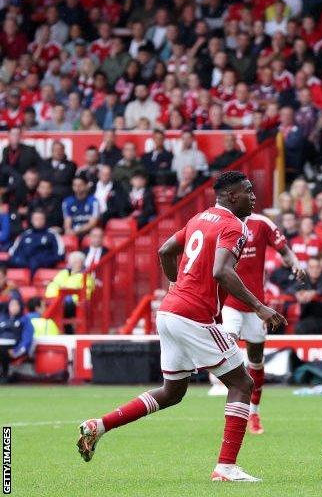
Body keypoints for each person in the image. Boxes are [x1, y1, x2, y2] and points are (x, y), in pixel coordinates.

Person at [76, 171, 287, 482]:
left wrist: (176, 285)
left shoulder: (200, 218)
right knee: (242, 384)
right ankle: (226, 467)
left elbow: (164, 251)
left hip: (170, 312)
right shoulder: (235, 226)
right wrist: (259, 306)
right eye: (248, 191)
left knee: (173, 392)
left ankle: (100, 425)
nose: (254, 197)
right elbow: (221, 271)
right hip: (194, 317)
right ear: (231, 196)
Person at [216, 212, 304, 434]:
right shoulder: (221, 223)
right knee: (229, 345)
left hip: (256, 305)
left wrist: (295, 264)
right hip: (229, 302)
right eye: (247, 193)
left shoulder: (262, 224)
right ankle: (234, 410)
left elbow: (285, 250)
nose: (252, 197)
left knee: (256, 359)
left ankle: (253, 413)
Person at [8, 210, 65, 274]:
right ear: (31, 220)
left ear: (44, 220)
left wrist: (42, 261)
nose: (38, 221)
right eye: (36, 219)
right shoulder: (25, 234)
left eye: (40, 219)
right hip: (24, 267)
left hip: (44, 268)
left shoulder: (52, 234)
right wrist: (26, 262)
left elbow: (60, 254)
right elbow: (12, 253)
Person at [0, 298, 33, 382]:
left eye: (16, 305)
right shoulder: (2, 319)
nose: (13, 307)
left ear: (20, 306)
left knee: (3, 350)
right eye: (11, 305)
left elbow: (27, 339)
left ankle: (5, 374)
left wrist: (16, 351)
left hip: (13, 348)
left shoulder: (25, 320)